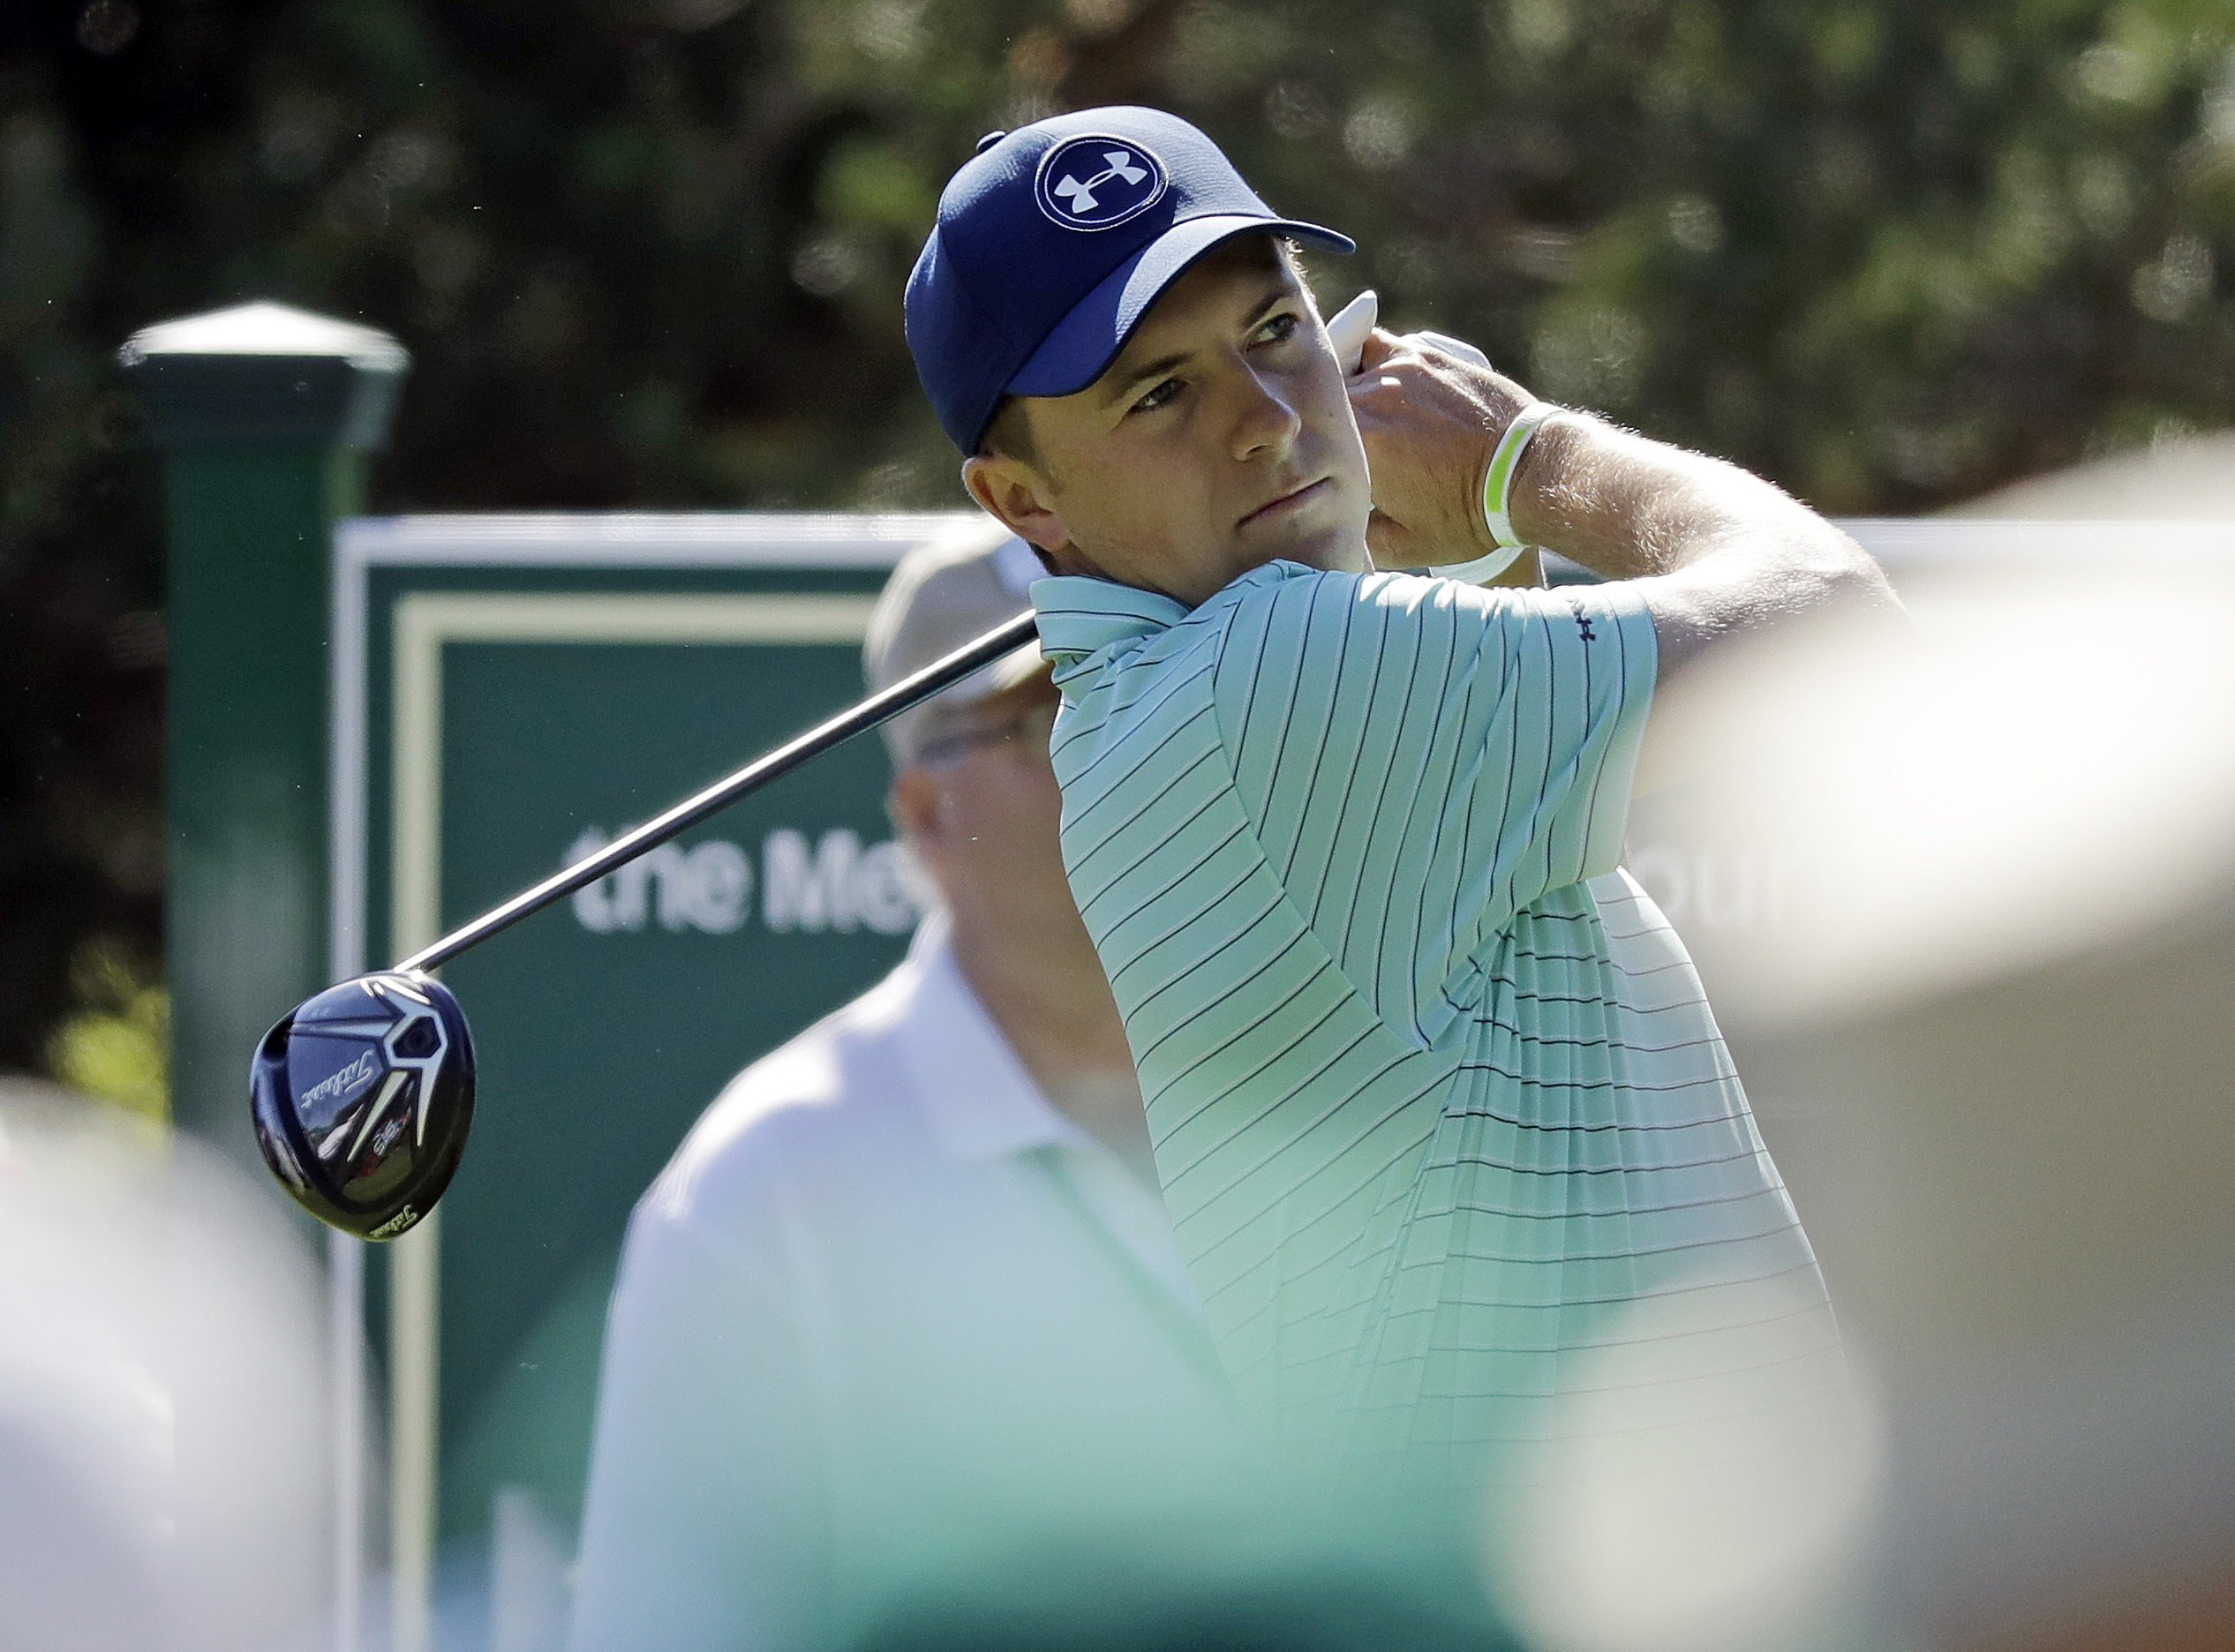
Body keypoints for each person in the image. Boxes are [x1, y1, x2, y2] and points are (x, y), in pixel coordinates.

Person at [905, 107, 1899, 1501]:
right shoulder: (1266, 686)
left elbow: (1517, 891)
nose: (1262, 422)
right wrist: (1524, 460)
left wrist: (1472, 552)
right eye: (1158, 395)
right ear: (1024, 502)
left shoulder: (1223, 695)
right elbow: (1839, 635)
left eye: (1274, 332)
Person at [566, 522, 1238, 1652]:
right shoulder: (767, 1190)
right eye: (1055, 715)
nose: (1135, 745)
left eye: (1159, 678)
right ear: (929, 820)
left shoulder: (1367, 1083)